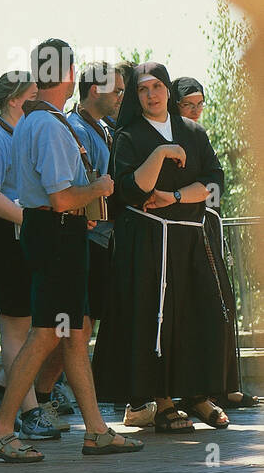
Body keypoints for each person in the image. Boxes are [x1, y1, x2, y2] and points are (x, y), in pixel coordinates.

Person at [0, 39, 143, 462]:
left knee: (74, 333)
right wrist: (99, 189)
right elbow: (60, 198)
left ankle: (96, 431)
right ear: (68, 76)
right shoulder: (51, 125)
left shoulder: (37, 120)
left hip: (54, 235)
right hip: (58, 235)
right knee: (47, 333)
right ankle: (0, 431)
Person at [92, 63, 238, 432]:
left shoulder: (194, 131)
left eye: (158, 86)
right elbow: (132, 190)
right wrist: (161, 154)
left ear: (168, 90)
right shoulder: (129, 136)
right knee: (156, 320)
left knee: (201, 312)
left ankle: (200, 395)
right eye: (143, 89)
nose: (152, 94)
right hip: (149, 243)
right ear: (137, 96)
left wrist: (174, 195)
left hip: (191, 236)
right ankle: (163, 400)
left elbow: (213, 181)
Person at [0, 72, 68, 440]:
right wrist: (29, 219)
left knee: (30, 326)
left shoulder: (19, 133)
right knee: (16, 328)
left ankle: (4, 391)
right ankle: (27, 413)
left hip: (21, 236)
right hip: (2, 237)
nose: (38, 99)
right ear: (14, 101)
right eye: (31, 94)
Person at [173, 76, 259, 410]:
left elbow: (213, 180)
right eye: (186, 105)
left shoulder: (199, 136)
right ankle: (197, 392)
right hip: (182, 232)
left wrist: (205, 199)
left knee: (221, 302)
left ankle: (225, 386)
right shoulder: (172, 137)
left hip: (205, 228)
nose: (194, 111)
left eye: (198, 105)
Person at [67, 63, 132, 421]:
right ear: (95, 90)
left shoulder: (103, 129)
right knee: (78, 327)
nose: (122, 97)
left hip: (104, 240)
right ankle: (38, 399)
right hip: (88, 238)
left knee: (86, 326)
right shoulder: (76, 129)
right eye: (117, 90)